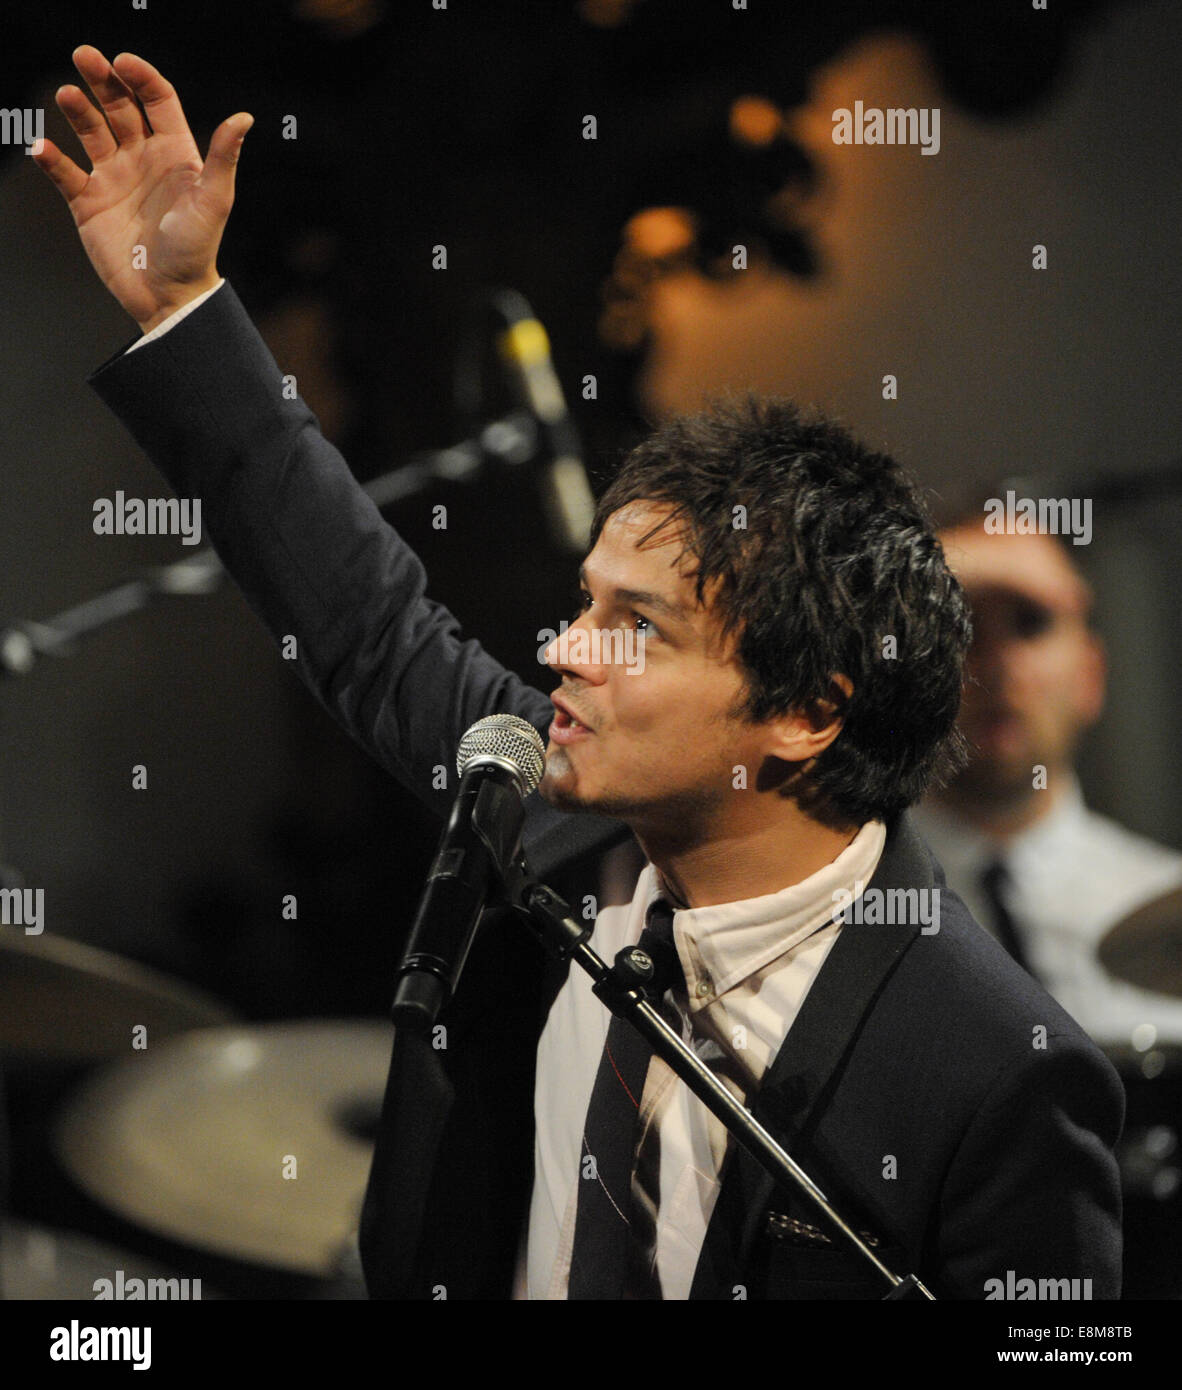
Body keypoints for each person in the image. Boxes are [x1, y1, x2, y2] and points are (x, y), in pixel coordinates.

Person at [35, 46, 1124, 1300]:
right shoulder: (542, 811)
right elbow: (363, 618)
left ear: (807, 711)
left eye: (638, 628)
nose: (563, 650)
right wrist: (182, 304)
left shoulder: (995, 1069)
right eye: (582, 603)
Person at [912, 520, 1182, 1050]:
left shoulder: (1164, 903)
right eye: (957, 626)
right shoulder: (838, 912)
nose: (998, 663)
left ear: (1092, 674)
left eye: (1030, 624)